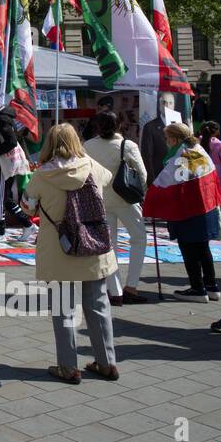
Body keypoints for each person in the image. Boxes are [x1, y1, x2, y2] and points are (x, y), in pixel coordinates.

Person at [23, 123, 119, 384]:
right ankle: (106, 362)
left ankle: (68, 366)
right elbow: (109, 179)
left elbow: (28, 206)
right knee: (98, 305)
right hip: (93, 245)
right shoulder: (92, 167)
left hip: (60, 249)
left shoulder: (42, 175)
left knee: (64, 309)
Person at [84, 110, 152, 304]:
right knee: (139, 239)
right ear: (119, 125)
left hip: (101, 200)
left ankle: (114, 291)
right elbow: (142, 175)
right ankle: (131, 286)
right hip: (126, 199)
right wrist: (143, 194)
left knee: (109, 245)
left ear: (97, 126)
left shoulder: (88, 146)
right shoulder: (127, 145)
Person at [156, 122, 221, 302]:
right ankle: (211, 287)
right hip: (205, 206)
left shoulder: (180, 154)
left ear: (175, 139)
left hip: (187, 209)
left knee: (188, 248)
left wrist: (153, 198)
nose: (166, 141)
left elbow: (168, 181)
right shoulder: (198, 149)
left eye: (167, 138)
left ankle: (197, 289)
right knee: (203, 247)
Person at [0, 94, 29, 240]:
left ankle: (0, 231)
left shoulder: (1, 119)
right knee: (5, 198)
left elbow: (11, 141)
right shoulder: (2, 116)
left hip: (4, 164)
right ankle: (28, 225)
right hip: (5, 164)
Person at [139, 94, 174, 177]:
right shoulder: (150, 127)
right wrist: (151, 179)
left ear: (174, 105)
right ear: (159, 105)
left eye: (170, 103)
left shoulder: (181, 125)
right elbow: (147, 155)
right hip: (159, 175)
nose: (167, 106)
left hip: (178, 176)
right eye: (164, 103)